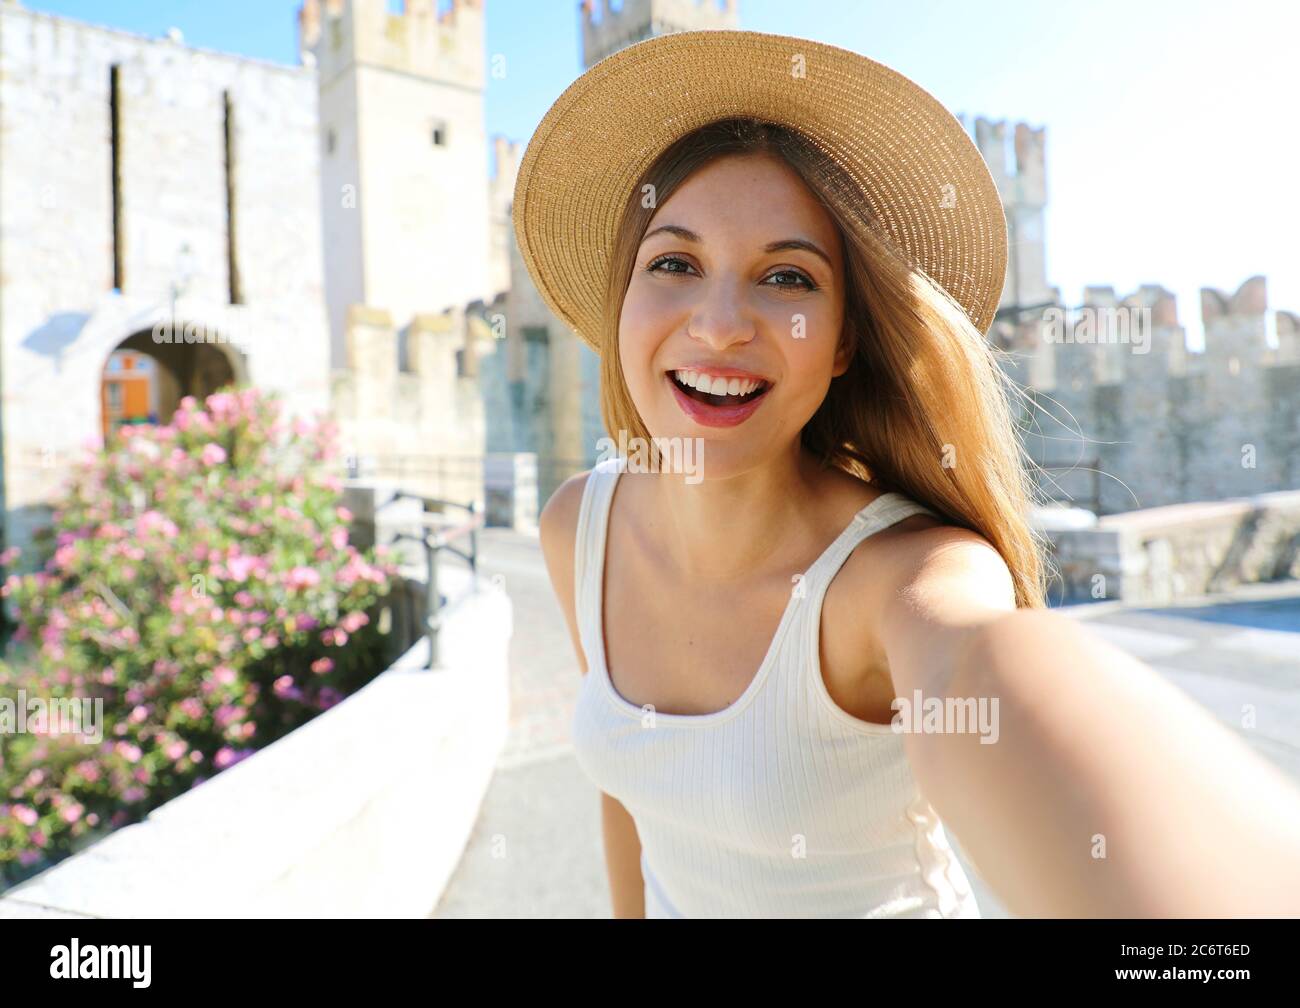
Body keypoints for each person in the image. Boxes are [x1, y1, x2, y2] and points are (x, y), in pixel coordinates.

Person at [514, 29, 1300, 918]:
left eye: (787, 277)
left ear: (847, 339)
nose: (722, 323)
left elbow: (983, 664)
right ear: (624, 298)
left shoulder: (911, 579)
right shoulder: (578, 526)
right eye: (674, 263)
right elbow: (630, 795)